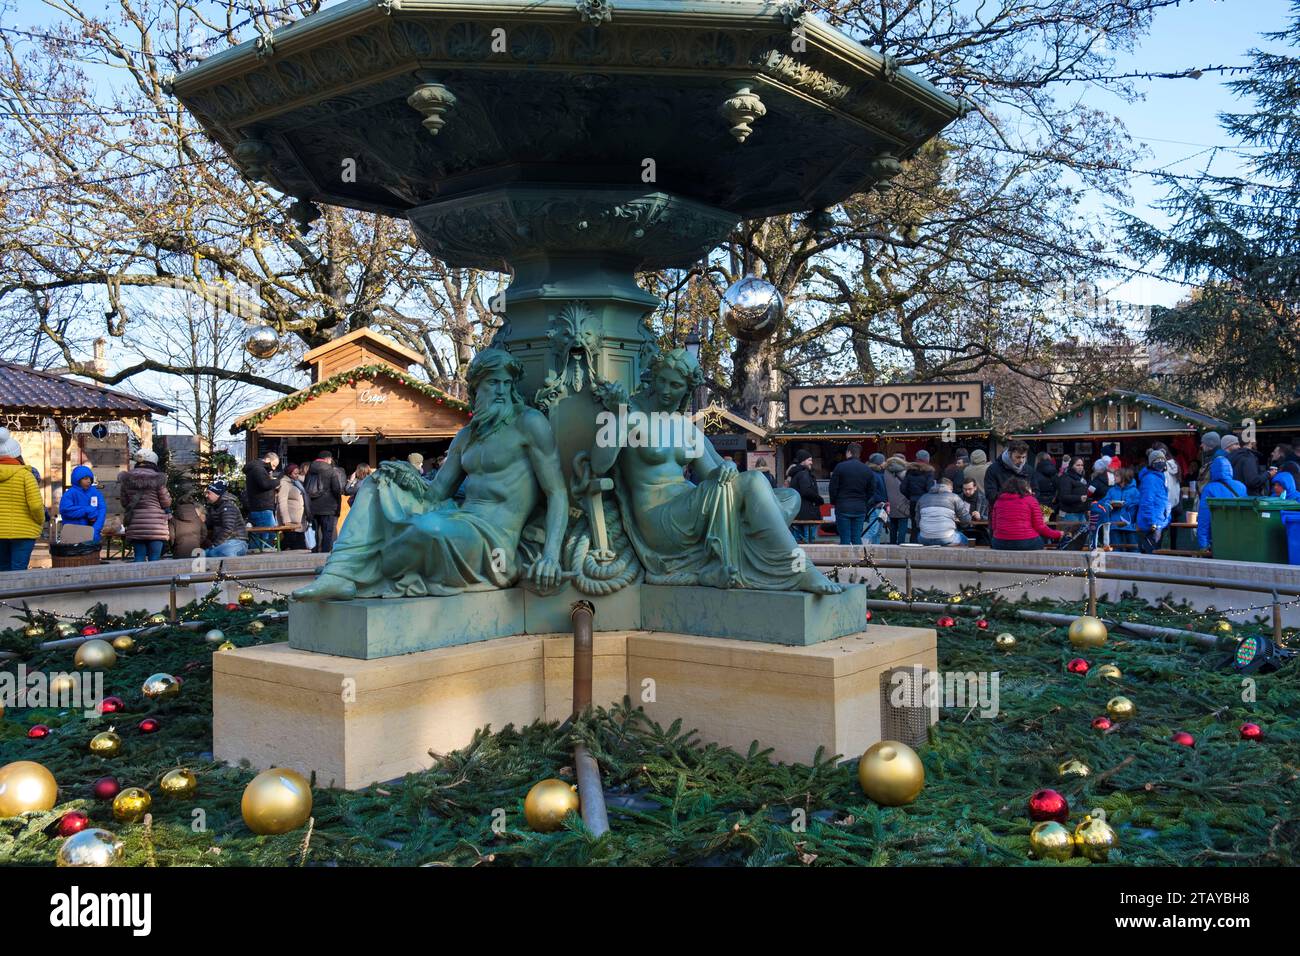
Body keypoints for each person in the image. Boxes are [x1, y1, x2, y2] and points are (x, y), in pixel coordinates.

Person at [291, 349, 572, 600]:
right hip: (459, 518)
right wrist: (403, 476)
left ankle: (361, 570)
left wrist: (550, 556)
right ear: (477, 388)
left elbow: (557, 492)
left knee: (428, 529)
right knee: (379, 480)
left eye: (507, 384)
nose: (501, 390)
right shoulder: (467, 437)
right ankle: (339, 573)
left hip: (493, 539)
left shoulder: (529, 424)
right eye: (493, 382)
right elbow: (436, 494)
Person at [119, 449, 171, 562]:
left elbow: (124, 503)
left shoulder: (127, 479)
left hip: (136, 523)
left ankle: (138, 579)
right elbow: (166, 502)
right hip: (156, 526)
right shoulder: (158, 479)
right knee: (154, 558)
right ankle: (154, 580)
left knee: (139, 557)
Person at [0, 436, 44, 570]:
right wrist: (40, 521)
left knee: (2, 569)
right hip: (24, 532)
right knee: (18, 570)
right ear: (17, 455)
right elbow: (36, 506)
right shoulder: (26, 476)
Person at [829, 444, 884, 546]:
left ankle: (845, 562)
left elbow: (832, 488)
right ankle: (858, 560)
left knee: (844, 538)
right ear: (859, 454)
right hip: (860, 508)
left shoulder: (840, 467)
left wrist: (835, 502)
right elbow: (871, 490)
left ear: (848, 452)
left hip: (843, 506)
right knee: (857, 538)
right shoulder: (867, 469)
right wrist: (864, 502)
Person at [990, 476, 1063, 551]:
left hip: (999, 542)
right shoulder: (1031, 500)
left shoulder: (998, 501)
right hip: (1026, 542)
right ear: (1025, 488)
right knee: (1040, 542)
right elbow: (1040, 527)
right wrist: (1058, 534)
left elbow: (994, 526)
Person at [1196, 456, 1246, 552]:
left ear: (1213, 471)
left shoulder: (1209, 489)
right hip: (1239, 537)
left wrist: (1203, 544)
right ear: (1230, 469)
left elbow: (1204, 518)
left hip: (1218, 538)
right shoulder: (1241, 486)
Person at [304, 449, 344, 553]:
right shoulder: (331, 471)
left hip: (313, 507)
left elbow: (306, 487)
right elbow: (336, 490)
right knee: (327, 532)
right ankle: (324, 555)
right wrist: (338, 505)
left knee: (315, 531)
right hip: (328, 507)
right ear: (327, 459)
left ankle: (315, 552)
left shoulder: (310, 470)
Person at [1136, 448, 1173, 554]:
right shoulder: (1150, 479)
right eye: (1157, 460)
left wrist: (1166, 519)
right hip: (1152, 524)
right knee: (1151, 554)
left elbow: (1162, 500)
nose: (1160, 462)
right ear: (1151, 463)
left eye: (1162, 460)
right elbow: (1147, 502)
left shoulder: (1159, 477)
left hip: (1158, 522)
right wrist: (1152, 523)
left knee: (1156, 553)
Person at [242, 450, 281, 552]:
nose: (274, 468)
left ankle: (255, 552)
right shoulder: (258, 469)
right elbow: (265, 484)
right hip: (262, 507)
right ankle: (263, 558)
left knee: (259, 537)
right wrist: (277, 481)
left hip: (259, 507)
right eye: (273, 465)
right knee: (268, 536)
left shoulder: (258, 468)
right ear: (267, 459)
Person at [916, 477, 971, 547]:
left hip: (924, 539)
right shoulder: (954, 497)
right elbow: (966, 520)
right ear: (950, 488)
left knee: (919, 534)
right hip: (946, 538)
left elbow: (918, 522)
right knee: (965, 539)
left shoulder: (923, 498)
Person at [57, 465, 106, 543]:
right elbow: (66, 511)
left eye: (90, 478)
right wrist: (87, 510)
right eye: (85, 478)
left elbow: (102, 511)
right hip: (73, 533)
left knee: (92, 554)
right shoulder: (70, 494)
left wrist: (95, 530)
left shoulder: (96, 493)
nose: (89, 481)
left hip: (92, 533)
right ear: (77, 479)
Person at [203, 480, 249, 558]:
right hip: (224, 542)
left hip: (237, 541)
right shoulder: (214, 507)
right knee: (207, 554)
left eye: (209, 493)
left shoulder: (228, 506)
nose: (206, 495)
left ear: (217, 494)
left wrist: (215, 545)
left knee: (221, 553)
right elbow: (209, 524)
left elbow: (228, 529)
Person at [787, 450, 823, 545]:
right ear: (803, 461)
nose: (811, 462)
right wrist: (819, 499)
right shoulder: (803, 473)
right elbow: (806, 491)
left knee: (798, 541)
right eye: (809, 460)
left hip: (799, 512)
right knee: (809, 541)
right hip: (808, 513)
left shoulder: (797, 473)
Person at [984, 441, 1030, 515]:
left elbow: (1036, 491)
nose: (1021, 460)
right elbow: (990, 495)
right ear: (1009, 454)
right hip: (1001, 514)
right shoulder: (993, 469)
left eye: (1023, 457)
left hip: (1024, 514)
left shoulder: (1028, 469)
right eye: (1018, 457)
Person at [900, 450, 935, 543]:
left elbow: (902, 488)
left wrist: (910, 496)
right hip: (924, 503)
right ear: (927, 460)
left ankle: (913, 545)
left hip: (913, 501)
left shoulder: (910, 471)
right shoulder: (929, 472)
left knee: (914, 526)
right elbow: (930, 488)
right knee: (925, 525)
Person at [276, 463, 309, 551]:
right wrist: (286, 520)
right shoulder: (284, 483)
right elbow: (282, 502)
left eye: (298, 473)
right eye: (295, 473)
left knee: (298, 544)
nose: (297, 475)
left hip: (298, 520)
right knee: (296, 544)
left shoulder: (295, 481)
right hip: (291, 520)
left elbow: (305, 478)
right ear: (289, 473)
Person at [170, 484, 207, 560]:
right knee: (196, 571)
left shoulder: (173, 519)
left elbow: (171, 537)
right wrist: (197, 542)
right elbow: (204, 533)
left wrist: (174, 546)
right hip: (196, 552)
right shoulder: (198, 519)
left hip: (179, 552)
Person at [1149, 441, 1183, 521]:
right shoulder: (1174, 464)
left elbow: (1164, 486)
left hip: (1164, 505)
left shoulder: (1161, 467)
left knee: (1162, 530)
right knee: (1174, 530)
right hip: (1175, 503)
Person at [883, 455, 910, 544]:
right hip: (903, 504)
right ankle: (901, 545)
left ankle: (892, 545)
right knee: (903, 527)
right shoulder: (905, 472)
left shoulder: (885, 471)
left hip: (890, 504)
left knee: (893, 527)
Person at [864, 453, 889, 544]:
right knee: (873, 531)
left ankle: (875, 552)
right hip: (876, 506)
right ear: (879, 463)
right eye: (883, 461)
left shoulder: (879, 473)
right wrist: (880, 501)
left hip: (880, 506)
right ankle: (863, 550)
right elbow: (872, 491)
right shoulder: (874, 474)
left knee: (877, 532)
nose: (885, 462)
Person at [1056, 457, 1090, 523]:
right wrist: (1079, 498)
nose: (1080, 467)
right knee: (1071, 533)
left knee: (1084, 532)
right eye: (1078, 465)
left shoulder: (1082, 478)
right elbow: (1064, 497)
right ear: (1072, 466)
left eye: (1082, 465)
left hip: (1082, 513)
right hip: (1070, 514)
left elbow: (1085, 494)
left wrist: (1088, 508)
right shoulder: (1066, 478)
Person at [959, 478, 989, 546]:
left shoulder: (984, 499)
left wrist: (980, 517)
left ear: (975, 488)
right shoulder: (958, 498)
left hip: (979, 530)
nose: (967, 491)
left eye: (970, 489)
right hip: (962, 529)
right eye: (965, 489)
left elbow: (990, 517)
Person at [1032, 452, 1058, 517]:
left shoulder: (1035, 473)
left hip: (1040, 504)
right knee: (1051, 525)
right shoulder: (1054, 472)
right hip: (1053, 504)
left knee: (1041, 525)